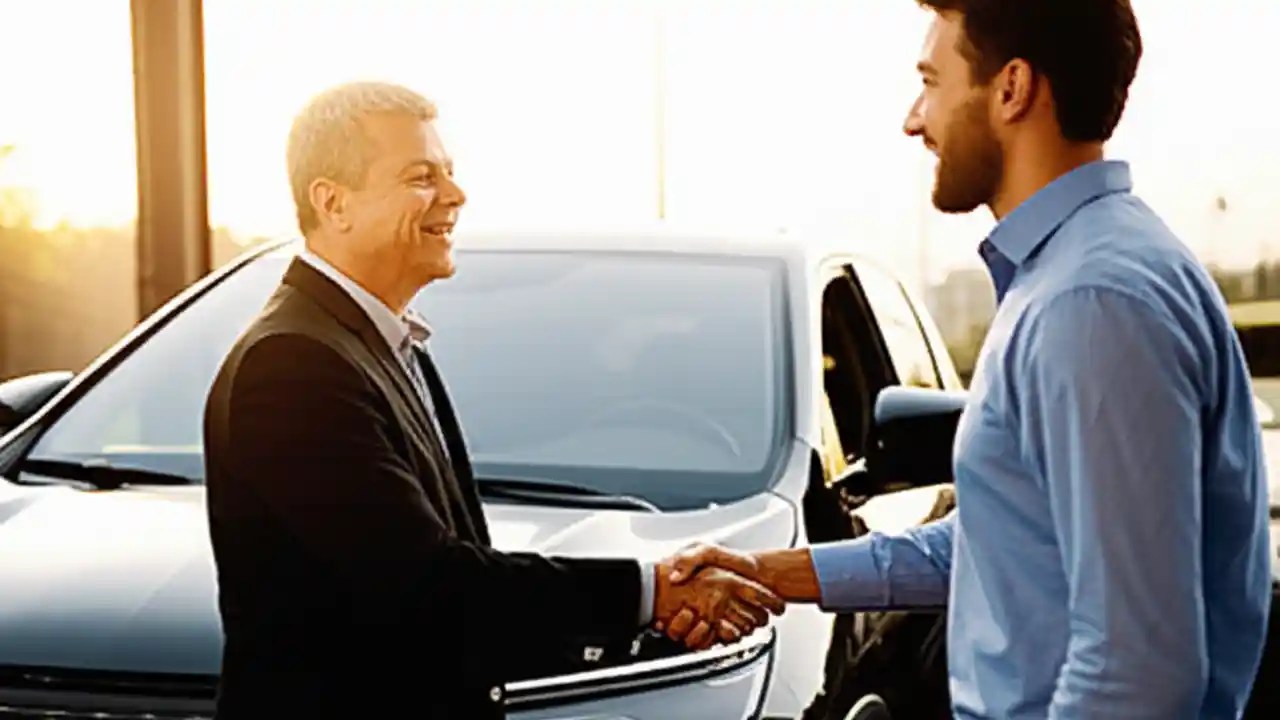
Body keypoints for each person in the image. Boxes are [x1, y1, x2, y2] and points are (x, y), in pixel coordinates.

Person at [664, 1, 1272, 718]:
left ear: (1011, 89)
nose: (915, 119)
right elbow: (1003, 541)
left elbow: (1136, 672)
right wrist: (766, 572)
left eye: (932, 82)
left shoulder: (1092, 304)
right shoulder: (1073, 276)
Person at [202, 81, 783, 719]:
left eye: (449, 173)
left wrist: (647, 619)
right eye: (422, 176)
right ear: (333, 202)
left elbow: (462, 580)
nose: (455, 196)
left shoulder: (389, 346)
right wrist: (652, 593)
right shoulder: (293, 365)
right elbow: (431, 588)